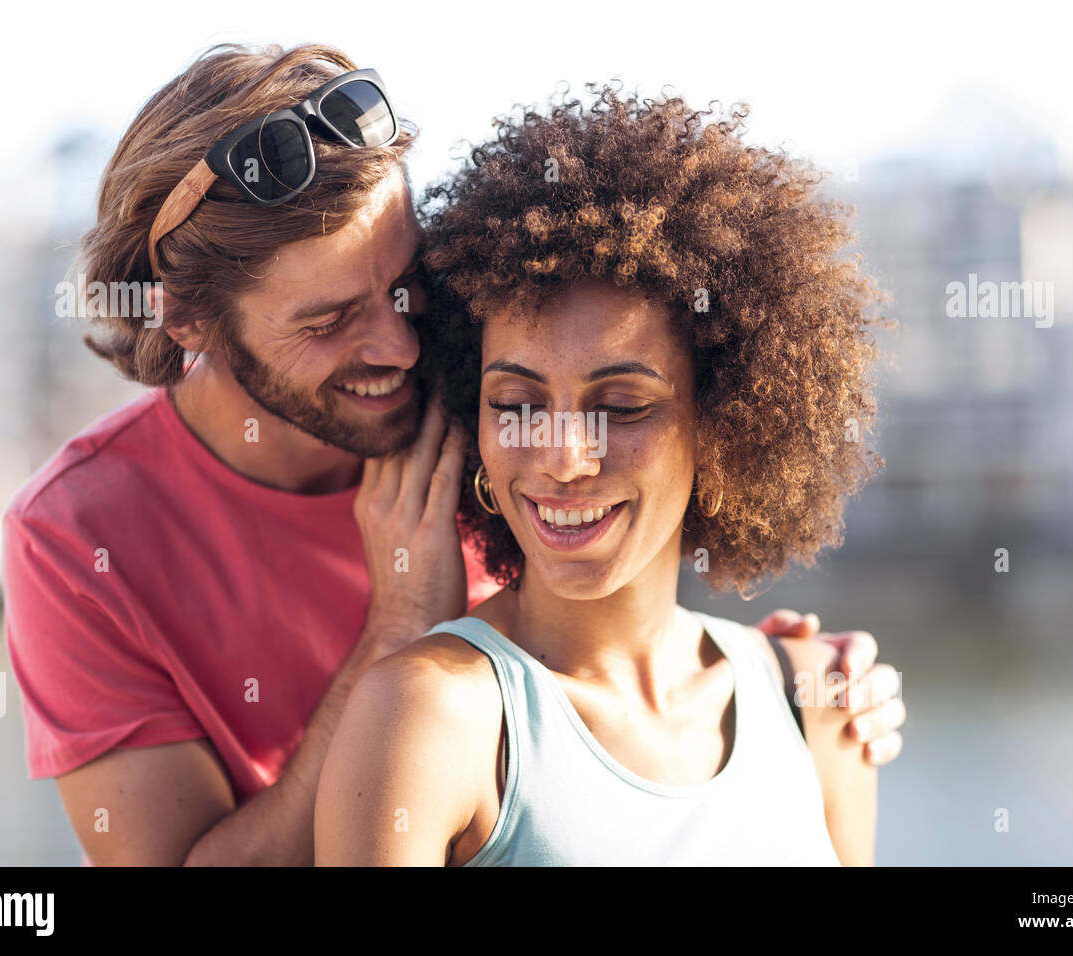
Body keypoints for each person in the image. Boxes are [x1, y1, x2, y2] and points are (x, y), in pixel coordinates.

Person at [2, 43, 904, 866]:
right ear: (188, 321)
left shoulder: (482, 396)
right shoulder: (75, 537)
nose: (401, 347)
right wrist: (399, 630)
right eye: (330, 321)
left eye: (406, 284)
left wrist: (780, 687)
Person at [315, 83, 892, 865]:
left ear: (722, 422)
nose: (563, 457)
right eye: (516, 403)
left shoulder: (821, 699)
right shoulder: (429, 716)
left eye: (621, 407)